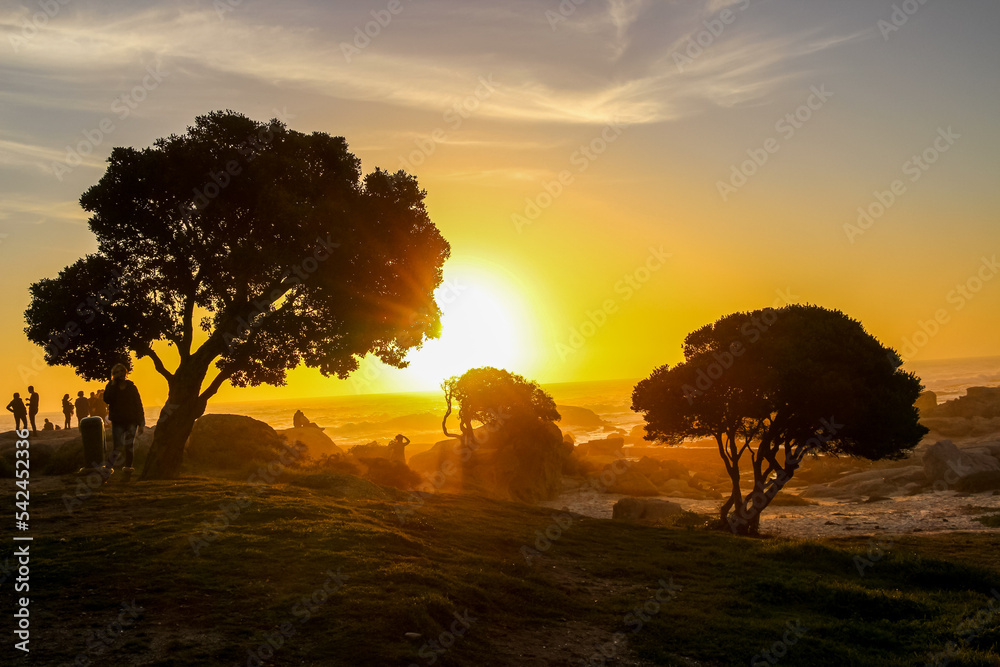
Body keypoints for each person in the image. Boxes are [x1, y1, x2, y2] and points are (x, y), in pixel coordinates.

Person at [102, 364, 145, 473]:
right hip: (117, 420)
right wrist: (112, 384)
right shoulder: (111, 386)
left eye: (122, 371)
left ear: (125, 373)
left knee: (129, 446)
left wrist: (141, 422)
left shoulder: (131, 387)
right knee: (117, 447)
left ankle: (128, 470)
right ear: (113, 375)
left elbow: (138, 404)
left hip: (132, 419)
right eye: (116, 372)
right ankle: (107, 469)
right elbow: (107, 400)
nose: (120, 373)